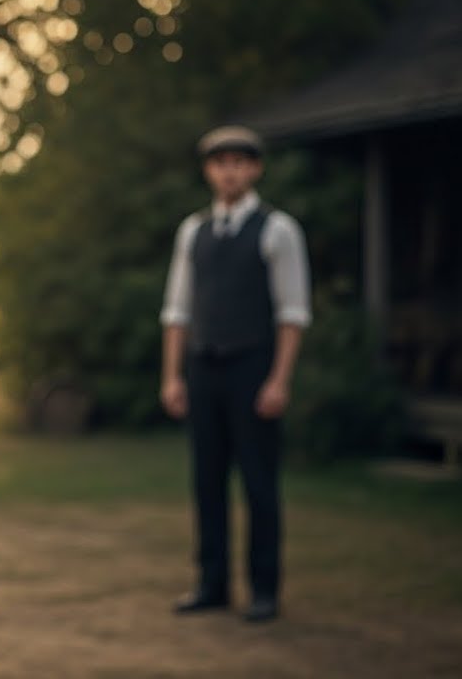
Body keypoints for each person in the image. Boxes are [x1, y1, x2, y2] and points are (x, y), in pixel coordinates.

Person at [158, 125, 310, 623]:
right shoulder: (193, 231)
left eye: (239, 163)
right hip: (202, 367)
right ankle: (212, 582)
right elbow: (177, 310)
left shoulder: (277, 230)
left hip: (253, 368)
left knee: (259, 482)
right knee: (207, 480)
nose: (230, 172)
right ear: (209, 171)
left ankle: (264, 588)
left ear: (255, 169)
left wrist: (279, 380)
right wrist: (172, 376)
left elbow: (292, 313)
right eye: (221, 163)